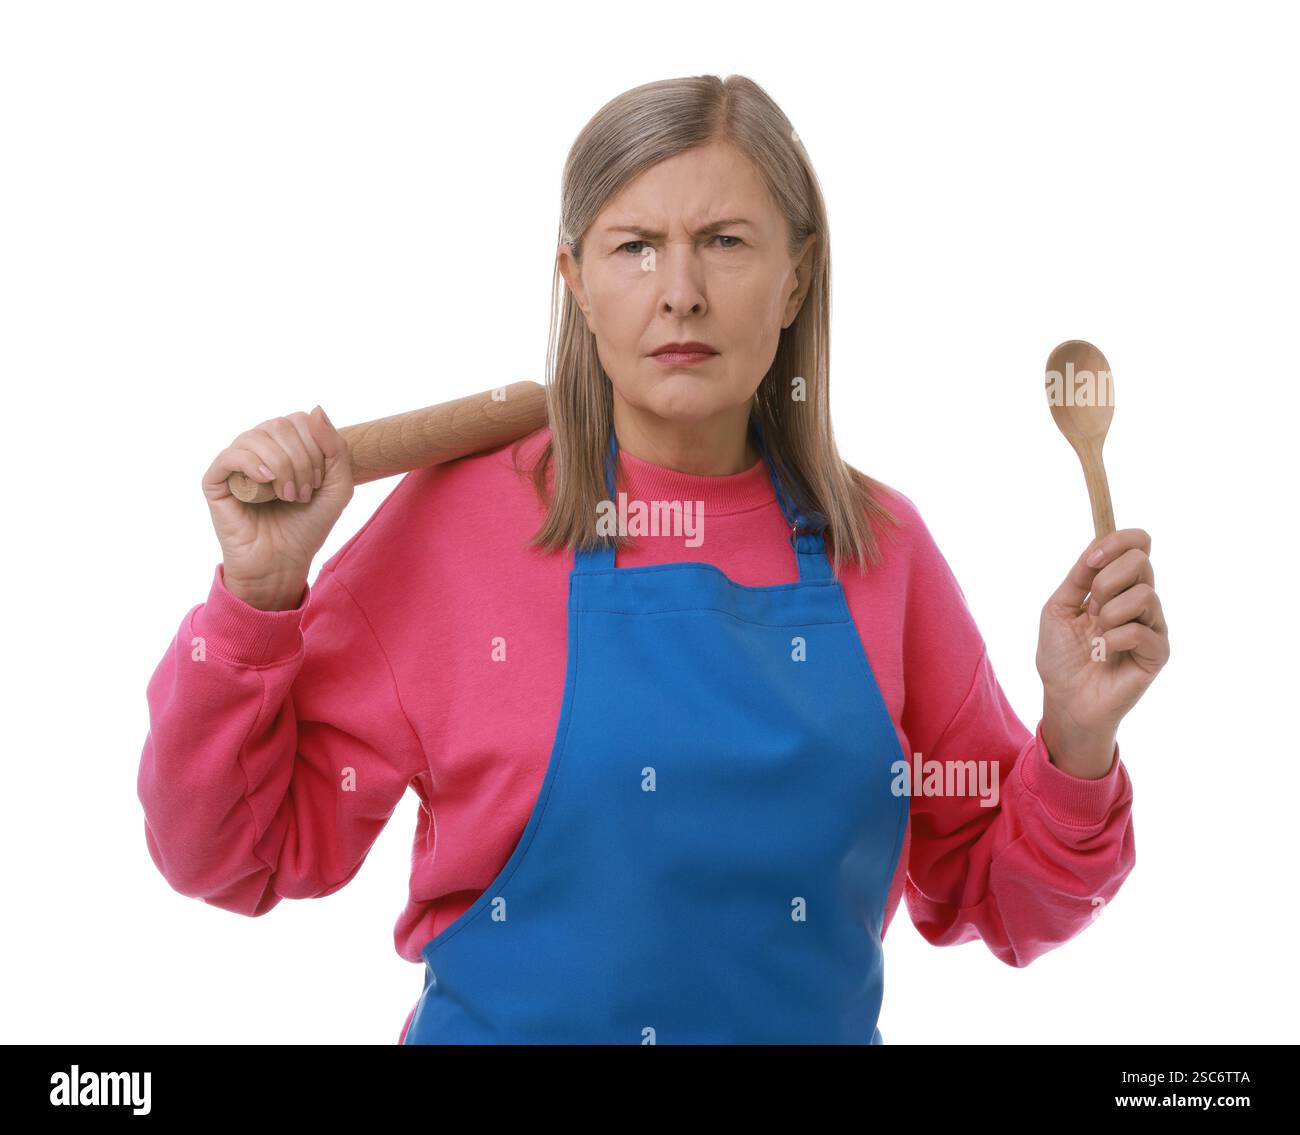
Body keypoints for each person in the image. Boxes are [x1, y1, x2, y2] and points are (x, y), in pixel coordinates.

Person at [138, 74, 1167, 1045]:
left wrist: (1075, 740)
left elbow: (1003, 899)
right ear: (574, 281)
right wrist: (256, 600)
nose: (679, 291)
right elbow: (231, 857)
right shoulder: (455, 526)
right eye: (634, 247)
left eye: (724, 241)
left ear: (796, 276)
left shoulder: (881, 551)